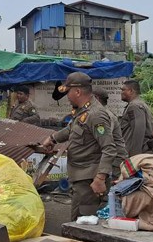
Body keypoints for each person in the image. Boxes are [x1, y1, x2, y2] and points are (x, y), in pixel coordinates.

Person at [40, 72, 117, 221]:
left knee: (84, 224)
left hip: (90, 181)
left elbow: (109, 148)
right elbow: (71, 130)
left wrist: (100, 178)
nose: (67, 97)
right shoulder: (82, 112)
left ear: (77, 92)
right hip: (80, 178)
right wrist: (52, 138)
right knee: (77, 221)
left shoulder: (96, 115)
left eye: (68, 92)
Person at [93, 86, 129, 172]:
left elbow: (104, 139)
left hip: (114, 162)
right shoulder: (99, 113)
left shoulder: (103, 116)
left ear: (96, 98)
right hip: (110, 160)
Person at [120, 80, 153, 156]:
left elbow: (138, 131)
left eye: (123, 90)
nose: (121, 92)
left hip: (138, 152)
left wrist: (135, 154)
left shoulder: (135, 106)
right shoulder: (138, 104)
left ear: (131, 91)